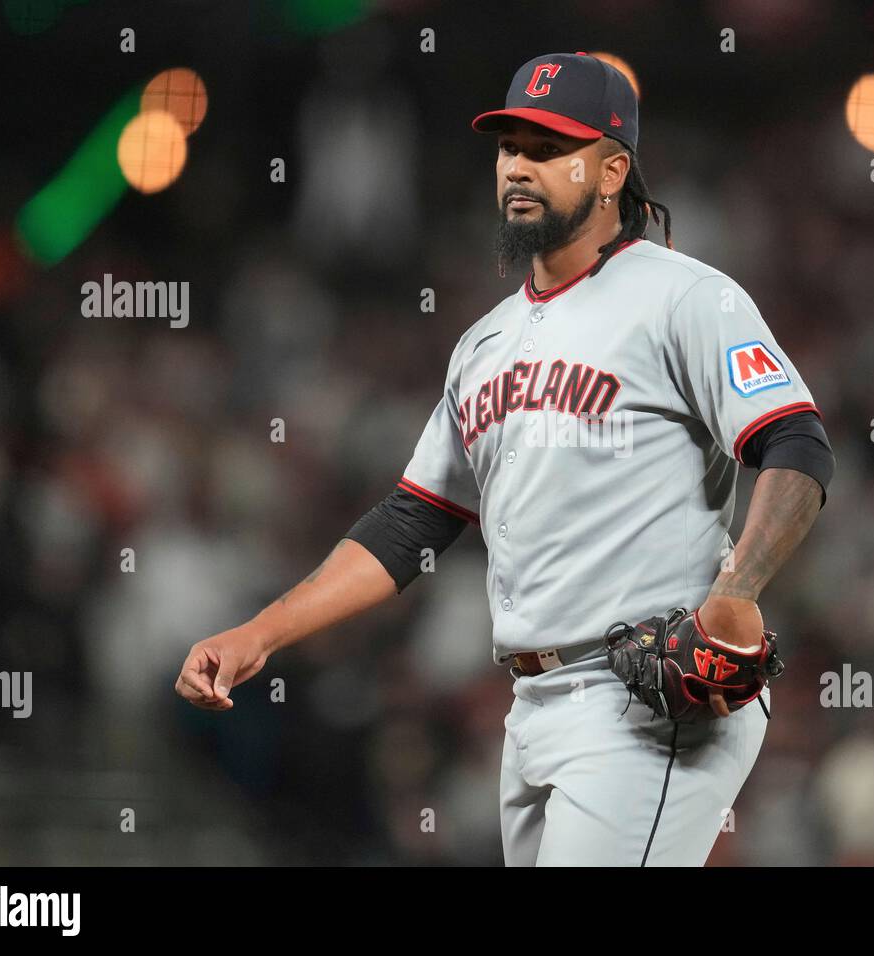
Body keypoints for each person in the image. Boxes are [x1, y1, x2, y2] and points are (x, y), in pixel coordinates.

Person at [175, 51, 834, 866]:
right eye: (509, 146)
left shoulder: (687, 297)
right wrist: (261, 634)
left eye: (550, 148)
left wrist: (738, 589)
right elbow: (413, 520)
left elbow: (797, 442)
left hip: (651, 696)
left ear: (610, 170)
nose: (519, 166)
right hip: (531, 706)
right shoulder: (481, 345)